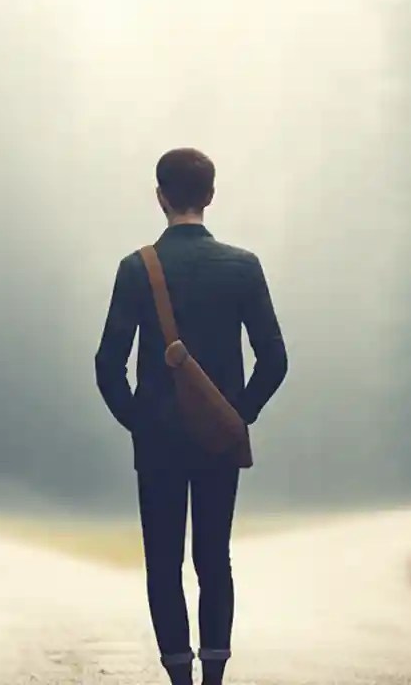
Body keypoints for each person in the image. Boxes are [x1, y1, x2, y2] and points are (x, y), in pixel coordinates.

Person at [94, 148, 289, 685]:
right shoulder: (243, 266)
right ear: (211, 195)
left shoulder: (137, 269)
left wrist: (139, 422)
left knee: (163, 562)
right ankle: (214, 679)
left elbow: (108, 365)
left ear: (160, 197)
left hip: (157, 442)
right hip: (219, 441)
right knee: (213, 558)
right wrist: (235, 416)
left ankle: (179, 678)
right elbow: (274, 360)